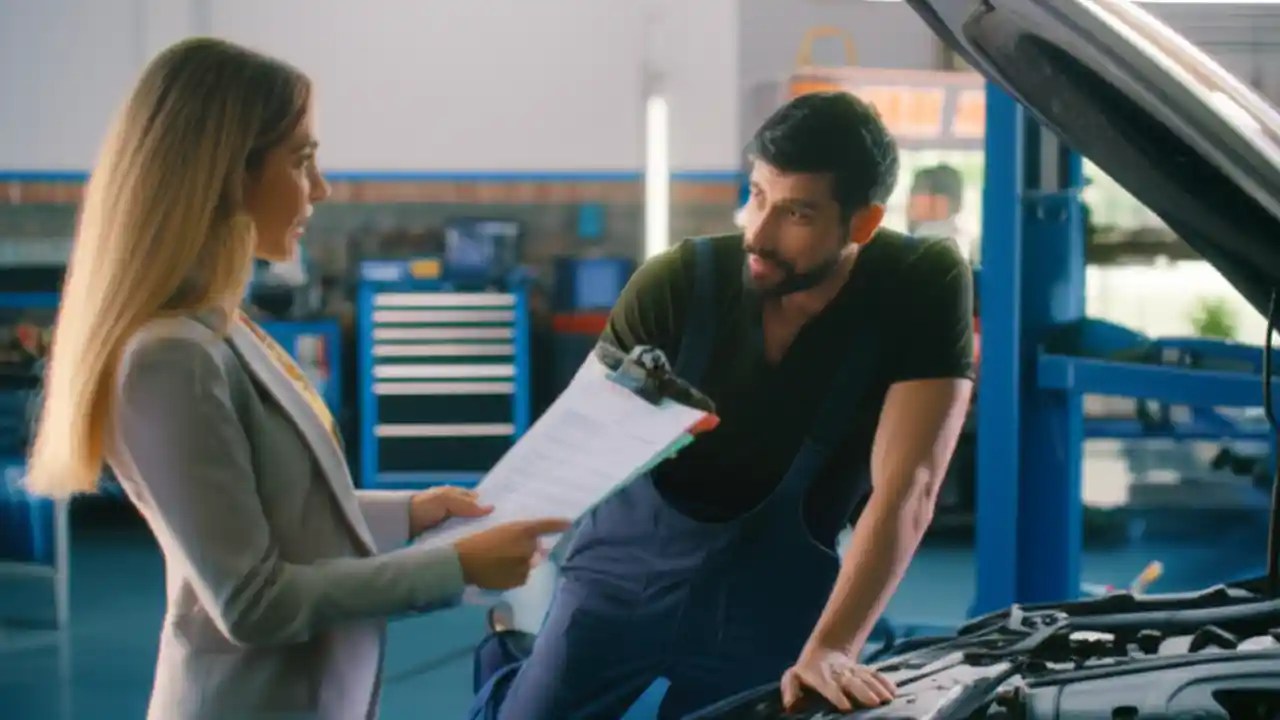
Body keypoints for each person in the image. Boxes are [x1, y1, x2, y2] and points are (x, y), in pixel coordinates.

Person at [23, 37, 570, 720]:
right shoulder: (170, 359)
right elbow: (251, 600)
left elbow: (274, 503)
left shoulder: (223, 326)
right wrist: (455, 568)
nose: (322, 188)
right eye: (302, 160)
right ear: (225, 175)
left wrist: (411, 513)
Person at [473, 91, 975, 719]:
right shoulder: (676, 282)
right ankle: (507, 670)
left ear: (863, 225)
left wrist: (835, 647)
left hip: (775, 594)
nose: (758, 233)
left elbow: (912, 483)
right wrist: (480, 544)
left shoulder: (921, 284)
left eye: (796, 212)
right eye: (757, 194)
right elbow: (580, 444)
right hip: (625, 573)